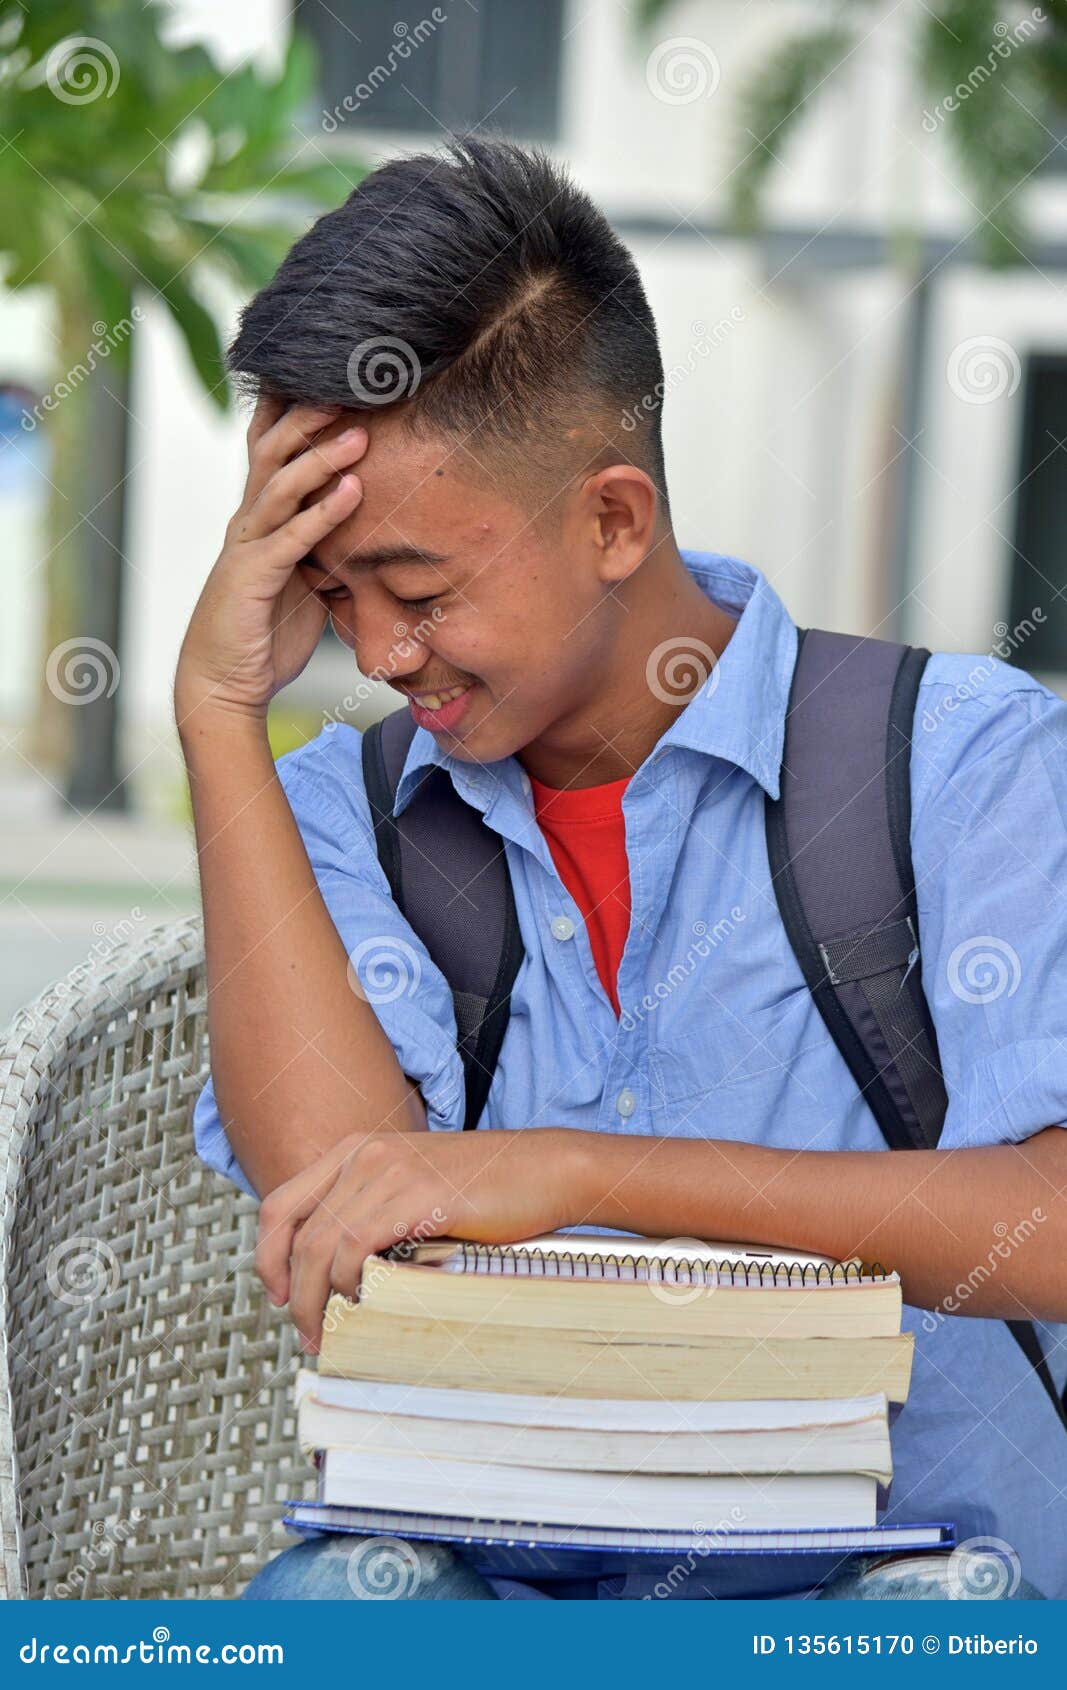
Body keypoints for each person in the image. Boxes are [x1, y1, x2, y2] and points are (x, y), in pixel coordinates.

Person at [176, 137, 1067, 1602]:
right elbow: (336, 1189)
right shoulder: (345, 802)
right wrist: (216, 716)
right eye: (331, 596)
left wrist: (584, 1172)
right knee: (330, 1610)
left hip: (895, 1582)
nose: (382, 655)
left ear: (611, 519)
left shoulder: (962, 762)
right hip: (482, 1587)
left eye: (418, 590)